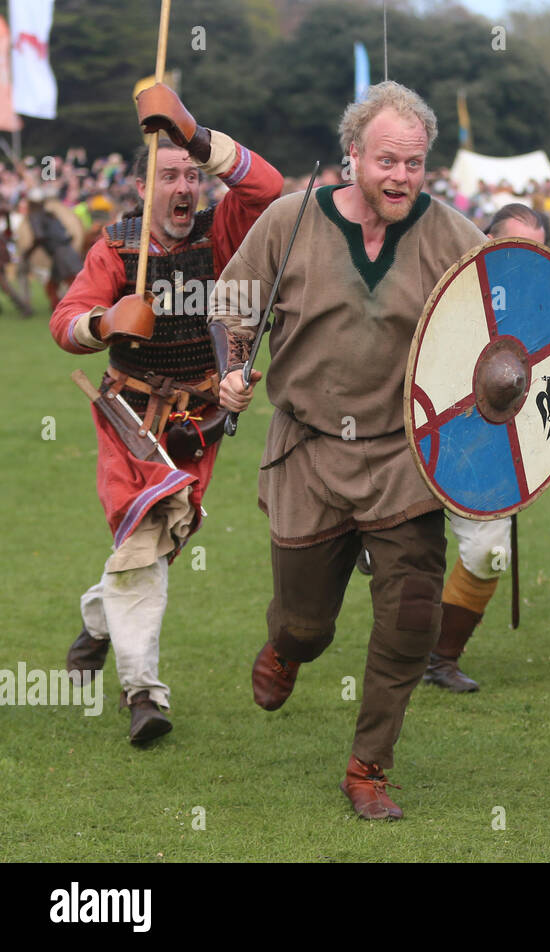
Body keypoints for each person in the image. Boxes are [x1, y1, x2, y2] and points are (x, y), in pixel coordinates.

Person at [211, 81, 484, 819]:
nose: (400, 177)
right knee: (308, 624)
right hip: (309, 450)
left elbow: (511, 320)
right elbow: (231, 309)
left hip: (406, 456)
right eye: (387, 160)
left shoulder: (454, 236)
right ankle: (288, 648)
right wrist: (232, 367)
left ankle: (369, 767)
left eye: (415, 163)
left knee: (410, 617)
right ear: (353, 155)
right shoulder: (288, 222)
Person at [51, 84, 282, 743]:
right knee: (141, 547)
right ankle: (143, 695)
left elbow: (267, 190)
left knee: (154, 547)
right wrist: (104, 320)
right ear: (143, 184)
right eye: (169, 174)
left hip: (197, 425)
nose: (184, 188)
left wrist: (191, 130)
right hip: (129, 418)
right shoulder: (116, 247)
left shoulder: (227, 228)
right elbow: (64, 323)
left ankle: (97, 624)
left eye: (192, 174)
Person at [423, 203, 547, 693]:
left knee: (490, 554)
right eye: (514, 247)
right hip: (423, 434)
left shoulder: (540, 304)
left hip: (490, 444)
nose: (526, 260)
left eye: (538, 252)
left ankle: (441, 658)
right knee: (400, 554)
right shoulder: (445, 285)